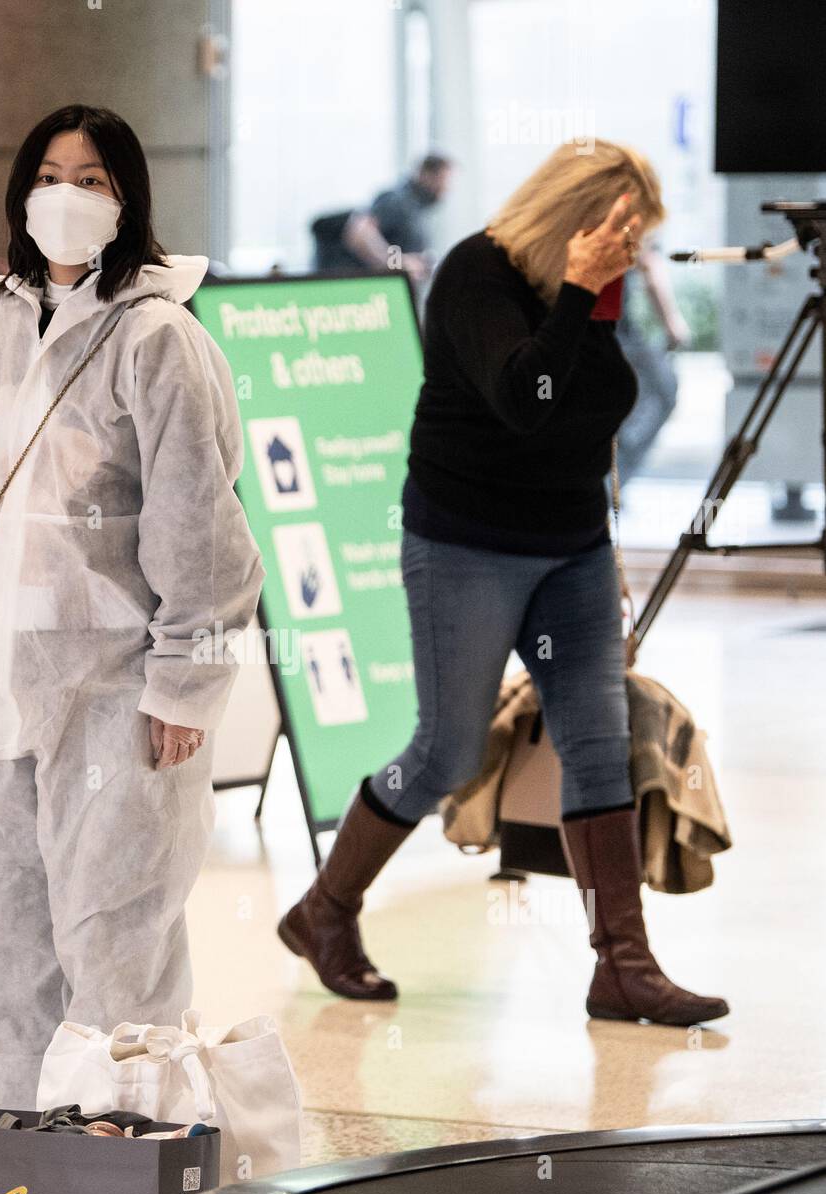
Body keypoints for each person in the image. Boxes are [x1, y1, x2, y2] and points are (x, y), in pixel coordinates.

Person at [278, 141, 728, 1028]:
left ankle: (622, 968)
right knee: (446, 752)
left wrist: (606, 550)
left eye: (637, 236)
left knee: (598, 743)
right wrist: (574, 296)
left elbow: (587, 424)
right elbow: (528, 395)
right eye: (620, 230)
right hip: (466, 547)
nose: (630, 250)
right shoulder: (475, 273)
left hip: (572, 551)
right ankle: (322, 911)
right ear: (575, 215)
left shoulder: (599, 290)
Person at [0, 104, 265, 1111]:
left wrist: (185, 683)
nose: (65, 197)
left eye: (92, 180)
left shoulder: (158, 337)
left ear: (128, 199)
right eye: (48, 174)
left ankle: (125, 1138)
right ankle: (6, 1144)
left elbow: (200, 532)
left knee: (113, 924)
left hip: (117, 677)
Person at [614, 241, 691, 483]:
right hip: (614, 335)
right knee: (664, 389)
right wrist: (672, 325)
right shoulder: (627, 213)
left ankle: (612, 475)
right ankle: (615, 474)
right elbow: (650, 267)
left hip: (603, 333)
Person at [343, 153, 452, 289]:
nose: (446, 188)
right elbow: (359, 232)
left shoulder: (418, 209)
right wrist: (396, 261)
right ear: (425, 175)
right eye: (443, 180)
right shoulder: (397, 201)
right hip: (382, 292)